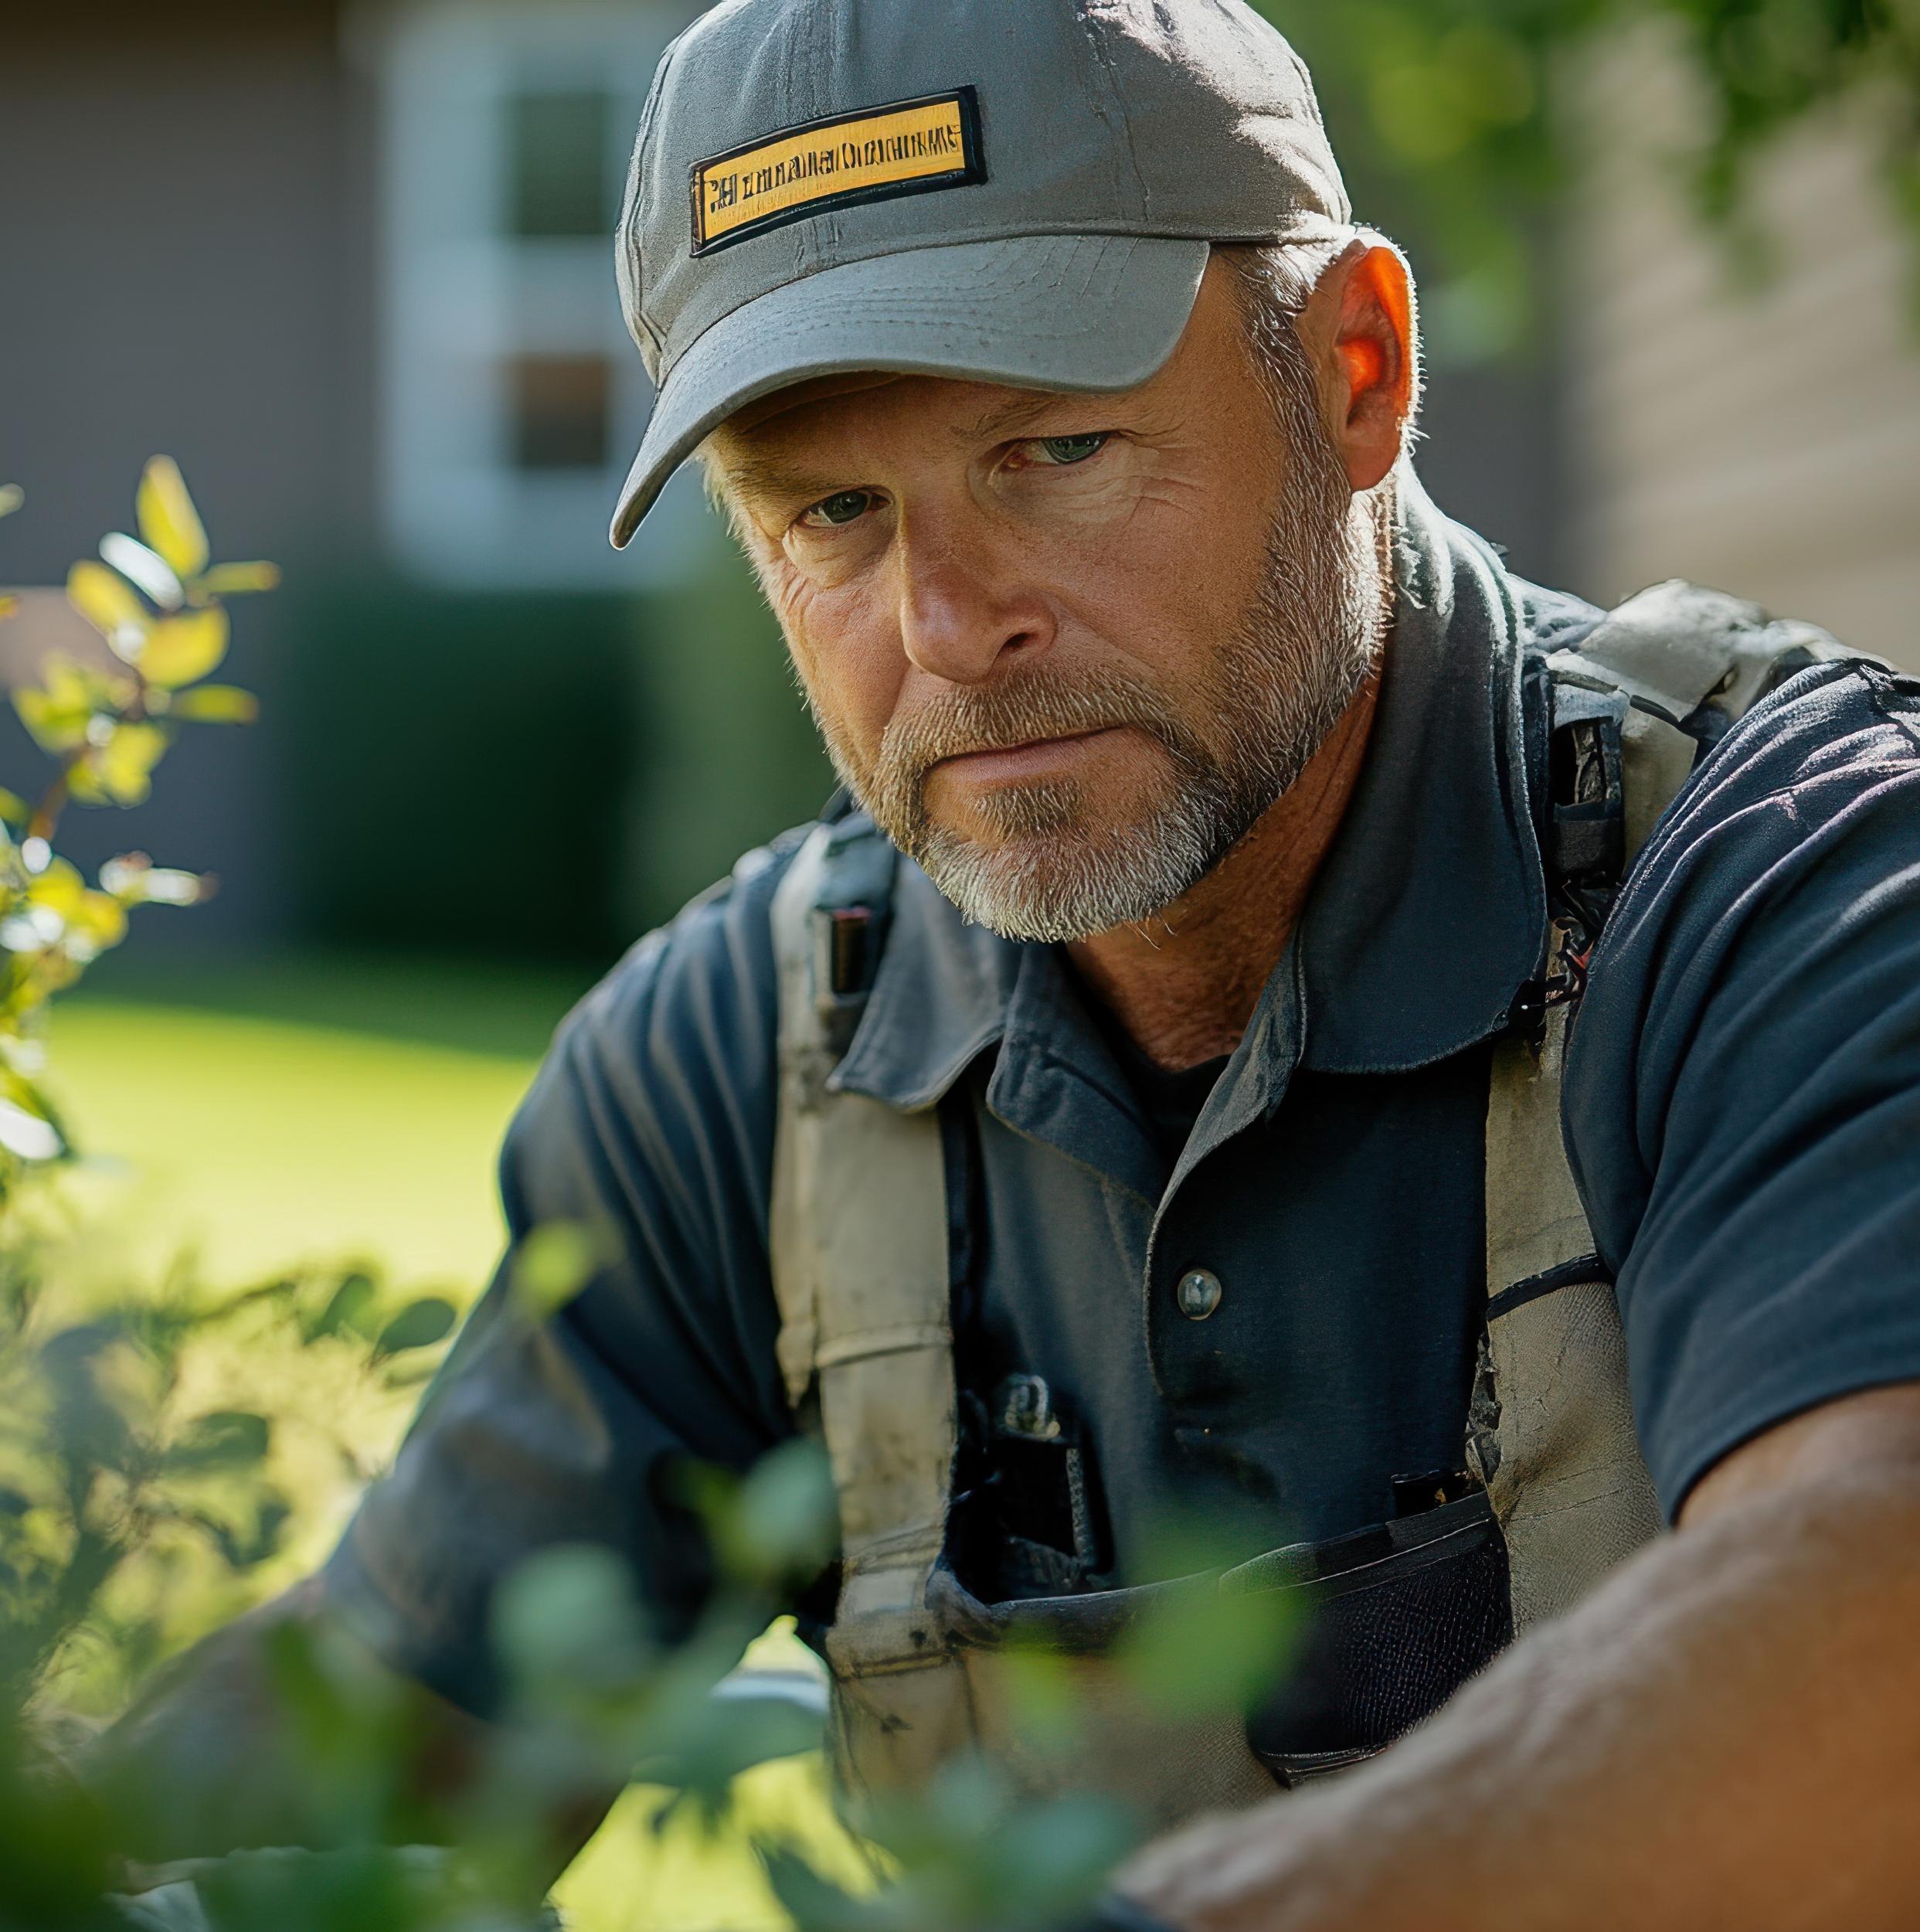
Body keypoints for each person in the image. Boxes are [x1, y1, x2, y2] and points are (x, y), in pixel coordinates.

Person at [103, 0, 1920, 1924]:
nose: (949, 623)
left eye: (1054, 447)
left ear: (1356, 372)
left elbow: (1876, 1621)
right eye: (831, 511)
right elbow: (376, 1722)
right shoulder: (749, 1060)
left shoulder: (1794, 886)